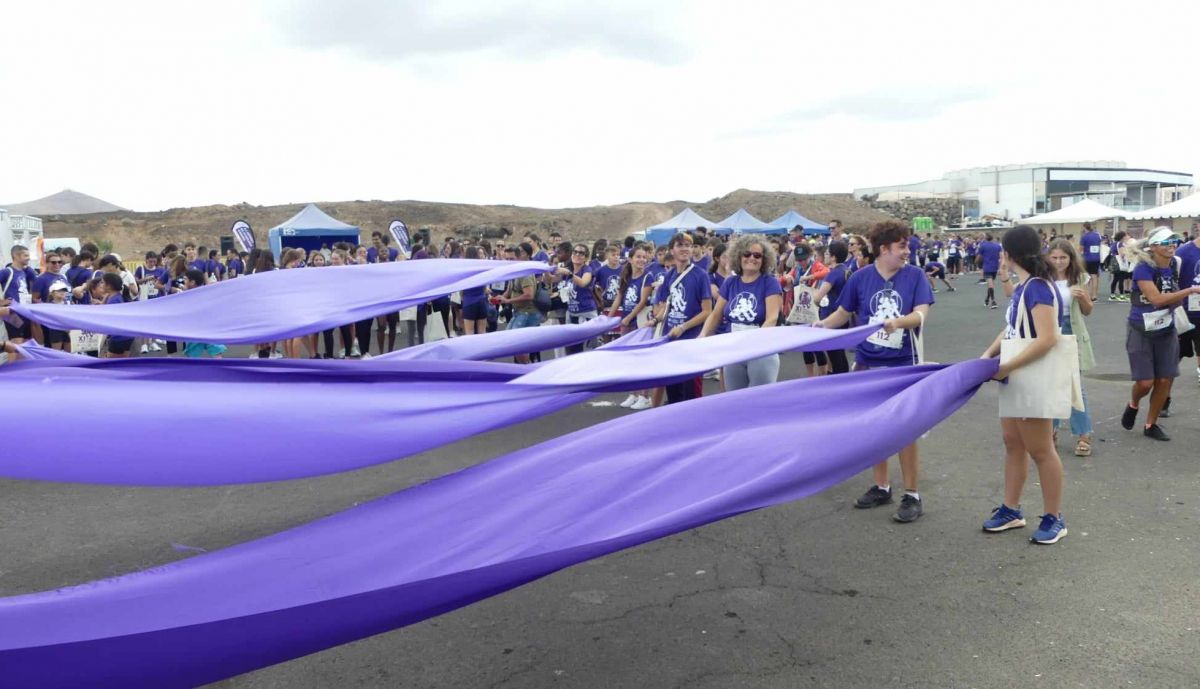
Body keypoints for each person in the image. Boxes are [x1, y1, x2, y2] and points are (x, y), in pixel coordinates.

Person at [813, 220, 934, 523]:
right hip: (867, 363)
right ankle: (882, 486)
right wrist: (820, 327)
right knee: (876, 429)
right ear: (884, 249)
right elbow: (843, 313)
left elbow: (921, 315)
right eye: (902, 246)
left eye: (908, 245)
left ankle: (912, 494)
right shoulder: (861, 278)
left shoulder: (915, 276)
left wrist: (899, 322)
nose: (907, 251)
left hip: (902, 365)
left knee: (906, 432)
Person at [979, 225, 1069, 544]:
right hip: (1017, 373)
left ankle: (1054, 517)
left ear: (1008, 254)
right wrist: (988, 355)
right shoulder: (1025, 286)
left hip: (1031, 375)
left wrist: (1004, 366)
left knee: (1041, 450)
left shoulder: (1037, 288)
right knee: (1013, 443)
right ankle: (1011, 509)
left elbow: (1046, 339)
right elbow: (1012, 329)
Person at [1119, 227, 1200, 441]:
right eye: (1165, 242)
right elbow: (1156, 299)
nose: (1171, 244)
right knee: (1145, 382)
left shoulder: (1175, 264)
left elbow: (1173, 294)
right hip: (1141, 329)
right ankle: (1133, 404)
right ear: (1153, 247)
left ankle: (1150, 424)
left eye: (1173, 240)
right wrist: (1189, 291)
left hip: (1167, 329)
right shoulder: (1144, 268)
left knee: (1164, 380)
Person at [698, 234, 782, 389]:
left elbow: (772, 318)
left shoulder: (770, 283)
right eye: (747, 254)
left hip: (761, 351)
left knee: (758, 401)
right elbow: (716, 314)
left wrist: (752, 341)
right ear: (739, 256)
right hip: (735, 349)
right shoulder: (730, 282)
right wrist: (702, 336)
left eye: (757, 255)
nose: (752, 258)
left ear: (764, 260)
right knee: (735, 399)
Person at [648, 233, 712, 404]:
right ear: (672, 250)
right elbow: (666, 307)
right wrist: (654, 321)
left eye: (688, 245)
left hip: (690, 341)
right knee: (673, 393)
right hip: (671, 340)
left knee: (690, 394)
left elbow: (707, 311)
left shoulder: (700, 275)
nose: (685, 249)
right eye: (680, 245)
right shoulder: (669, 276)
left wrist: (684, 327)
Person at [1046, 239, 1096, 457]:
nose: (1059, 262)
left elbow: (1088, 311)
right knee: (1051, 384)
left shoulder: (1079, 278)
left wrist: (1083, 295)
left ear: (1071, 258)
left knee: (1075, 385)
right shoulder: (1042, 278)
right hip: (1048, 331)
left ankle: (1083, 434)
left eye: (1063, 258)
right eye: (1055, 257)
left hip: (1071, 330)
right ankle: (1051, 431)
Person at [811, 240, 854, 374]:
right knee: (840, 353)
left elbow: (818, 297)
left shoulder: (833, 273)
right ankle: (843, 379)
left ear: (834, 257)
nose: (826, 256)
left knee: (834, 355)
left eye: (828, 254)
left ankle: (839, 382)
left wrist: (818, 302)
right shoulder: (847, 271)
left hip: (831, 317)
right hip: (844, 316)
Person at [553, 243, 598, 354]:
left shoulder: (587, 270)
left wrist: (569, 274)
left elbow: (583, 283)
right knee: (573, 350)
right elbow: (551, 280)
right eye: (575, 252)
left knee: (588, 352)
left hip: (586, 315)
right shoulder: (568, 270)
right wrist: (546, 269)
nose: (577, 255)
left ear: (586, 258)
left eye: (581, 253)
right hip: (572, 315)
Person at [1174, 228, 1200, 385]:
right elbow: (1172, 278)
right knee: (1176, 353)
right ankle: (1164, 385)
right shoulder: (1183, 251)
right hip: (1184, 311)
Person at [1, 245, 38, 346]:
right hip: (12, 312)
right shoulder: (7, 271)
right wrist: (2, 302)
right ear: (15, 256)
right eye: (25, 255)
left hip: (23, 311)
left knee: (25, 343)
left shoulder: (24, 272)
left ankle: (22, 362)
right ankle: (13, 362)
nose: (28, 258)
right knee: (16, 342)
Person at [460, 246, 490, 336]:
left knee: (469, 333)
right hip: (481, 301)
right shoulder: (481, 268)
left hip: (469, 301)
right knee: (482, 333)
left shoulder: (464, 269)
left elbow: (461, 288)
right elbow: (485, 287)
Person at [1079, 222, 1103, 301]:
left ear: (1084, 227)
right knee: (1094, 277)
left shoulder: (1084, 237)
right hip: (1096, 258)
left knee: (1086, 277)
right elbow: (1101, 244)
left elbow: (1081, 250)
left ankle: (1087, 294)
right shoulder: (1097, 235)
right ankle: (1094, 295)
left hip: (1087, 258)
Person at [978, 233, 1003, 308]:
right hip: (995, 267)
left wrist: (977, 263)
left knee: (990, 284)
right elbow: (1001, 257)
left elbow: (979, 257)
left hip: (987, 267)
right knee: (991, 284)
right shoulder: (998, 246)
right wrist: (1000, 268)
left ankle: (993, 301)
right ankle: (988, 299)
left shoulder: (983, 246)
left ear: (985, 238)